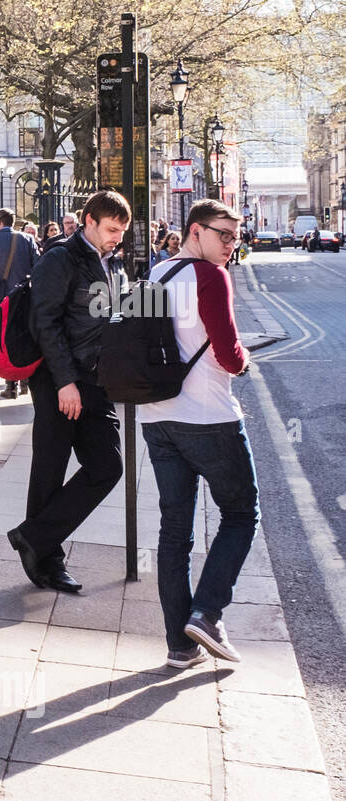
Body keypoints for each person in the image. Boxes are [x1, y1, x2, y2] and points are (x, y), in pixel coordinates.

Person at [141, 200, 254, 668]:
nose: (230, 244)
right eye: (223, 234)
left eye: (235, 236)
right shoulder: (210, 277)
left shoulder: (155, 275)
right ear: (195, 231)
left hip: (156, 418)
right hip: (208, 417)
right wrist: (245, 359)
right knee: (242, 512)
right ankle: (207, 612)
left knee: (174, 533)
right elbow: (229, 355)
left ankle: (180, 646)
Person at [6, 190, 131, 594]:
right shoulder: (60, 258)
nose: (117, 238)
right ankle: (47, 561)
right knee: (50, 469)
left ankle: (33, 537)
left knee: (107, 467)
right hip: (60, 380)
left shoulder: (111, 263)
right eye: (111, 229)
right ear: (89, 219)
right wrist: (65, 382)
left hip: (98, 382)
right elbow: (45, 323)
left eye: (121, 232)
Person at [0, 207, 38, 398]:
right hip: (25, 296)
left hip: (3, 296)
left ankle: (10, 385)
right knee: (25, 334)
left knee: (5, 338)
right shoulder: (28, 239)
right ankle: (26, 383)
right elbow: (37, 265)